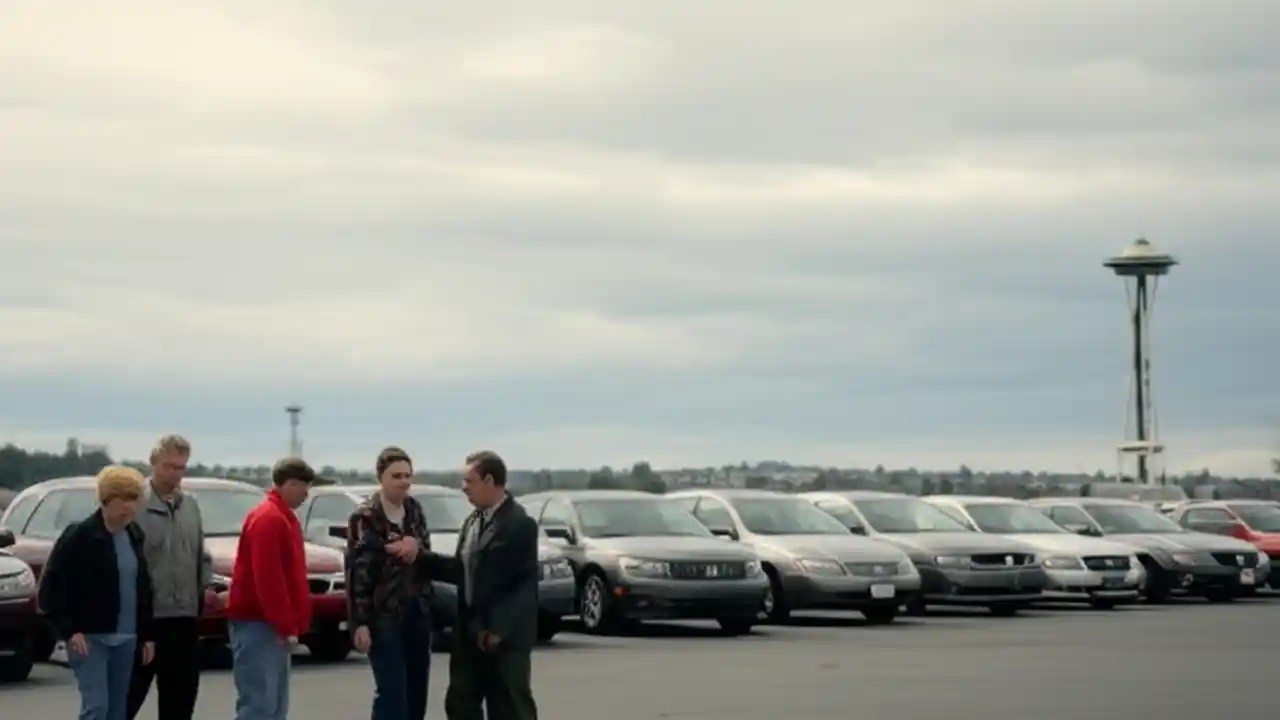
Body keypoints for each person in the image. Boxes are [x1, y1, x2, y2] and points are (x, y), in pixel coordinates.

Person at [422, 450, 540, 720]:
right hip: (469, 632)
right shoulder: (473, 521)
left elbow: (520, 586)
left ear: (489, 480)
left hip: (503, 637)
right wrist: (419, 558)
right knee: (460, 703)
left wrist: (497, 629)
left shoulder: (519, 524)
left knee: (509, 706)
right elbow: (463, 570)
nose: (463, 488)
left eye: (469, 480)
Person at [40, 466, 157, 720]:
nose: (130, 507)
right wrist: (69, 630)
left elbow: (143, 588)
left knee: (118, 711)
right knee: (97, 708)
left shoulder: (134, 535)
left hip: (126, 638)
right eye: (123, 499)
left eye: (134, 499)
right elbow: (50, 589)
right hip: (91, 639)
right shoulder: (79, 536)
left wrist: (147, 635)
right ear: (106, 499)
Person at [128, 434, 215, 720]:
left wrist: (206, 589)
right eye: (169, 466)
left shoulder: (190, 506)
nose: (175, 474)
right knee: (126, 702)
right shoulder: (134, 506)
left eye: (181, 467)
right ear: (153, 463)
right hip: (145, 623)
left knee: (180, 704)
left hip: (185, 620)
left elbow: (201, 555)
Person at [346, 446, 435, 720]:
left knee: (417, 689)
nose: (404, 482)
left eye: (407, 475)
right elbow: (357, 574)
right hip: (383, 614)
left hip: (416, 611)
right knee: (392, 692)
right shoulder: (365, 517)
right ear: (381, 478)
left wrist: (415, 546)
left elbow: (427, 557)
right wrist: (359, 623)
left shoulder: (414, 510)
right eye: (396, 475)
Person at [225, 457, 315, 720]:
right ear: (287, 484)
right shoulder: (270, 519)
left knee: (273, 705)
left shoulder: (283, 518)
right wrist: (286, 625)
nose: (306, 494)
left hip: (269, 625)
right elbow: (269, 579)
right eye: (301, 486)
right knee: (260, 704)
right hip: (258, 623)